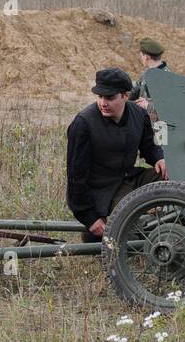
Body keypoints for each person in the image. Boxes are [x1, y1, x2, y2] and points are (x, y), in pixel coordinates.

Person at [66, 67, 167, 243]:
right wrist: (90, 218)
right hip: (102, 189)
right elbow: (76, 179)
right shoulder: (83, 124)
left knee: (174, 180)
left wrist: (159, 157)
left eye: (110, 97)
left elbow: (149, 146)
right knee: (131, 223)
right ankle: (98, 233)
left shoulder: (139, 114)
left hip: (129, 177)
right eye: (99, 97)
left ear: (125, 96)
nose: (103, 103)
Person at [129, 37, 169, 110]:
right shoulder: (146, 74)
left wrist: (148, 106)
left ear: (146, 57)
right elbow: (135, 89)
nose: (141, 58)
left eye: (141, 56)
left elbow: (170, 107)